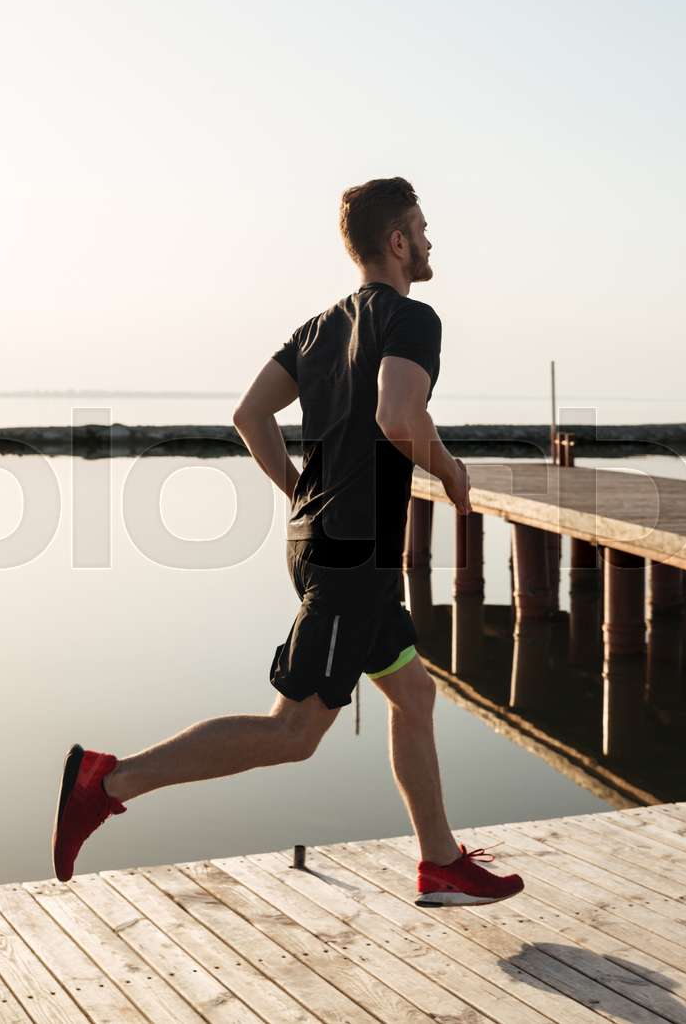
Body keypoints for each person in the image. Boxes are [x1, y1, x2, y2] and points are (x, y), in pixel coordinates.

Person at [51, 177, 524, 907]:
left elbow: (250, 415)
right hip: (351, 558)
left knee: (415, 694)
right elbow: (399, 414)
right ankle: (108, 782)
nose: (430, 242)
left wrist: (301, 492)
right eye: (422, 229)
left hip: (319, 544)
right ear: (396, 241)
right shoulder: (412, 318)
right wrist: (452, 471)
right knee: (296, 733)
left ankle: (439, 863)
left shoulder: (317, 328)